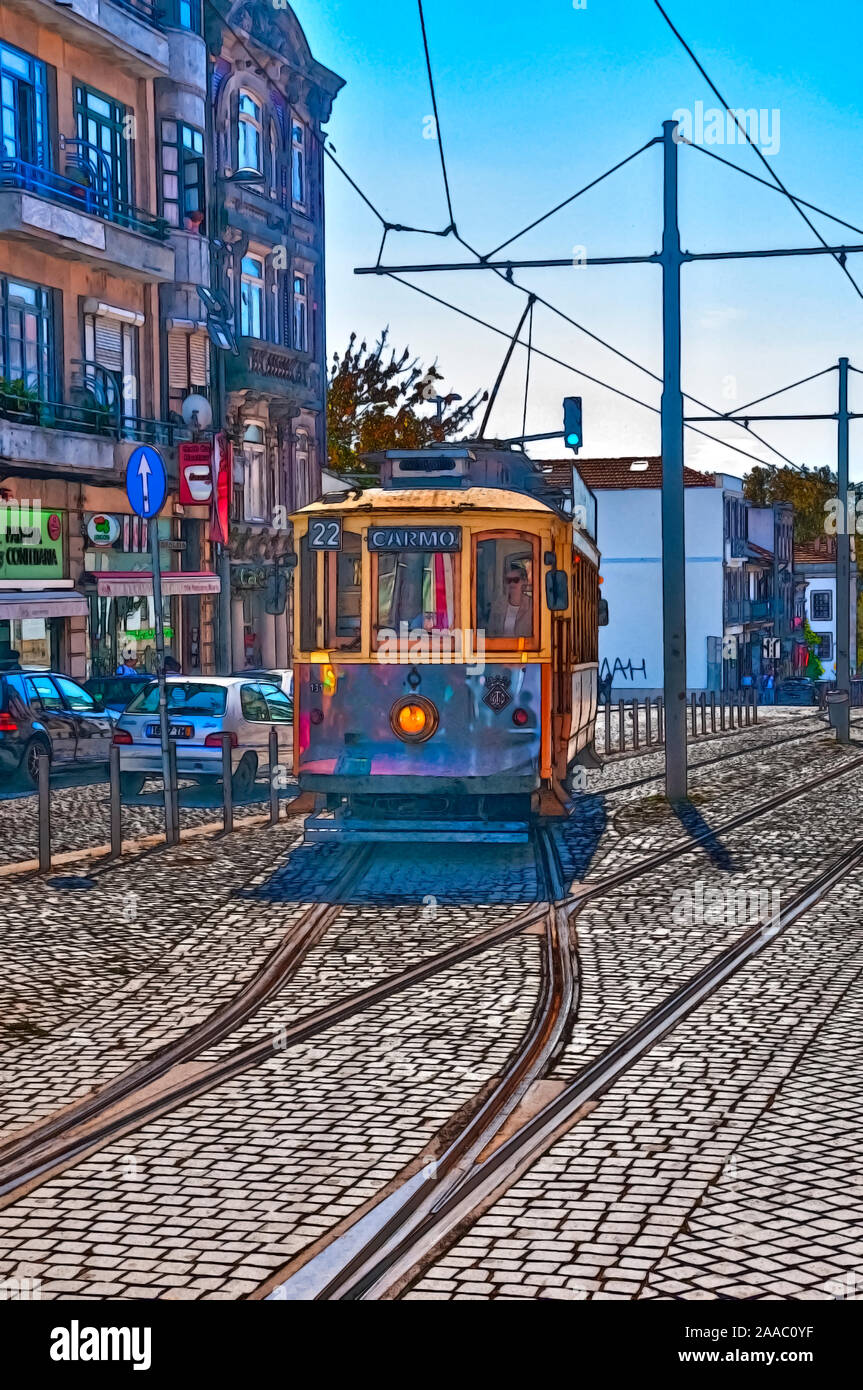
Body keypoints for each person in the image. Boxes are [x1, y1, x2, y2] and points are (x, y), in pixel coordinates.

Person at [489, 562, 533, 639]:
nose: (512, 584)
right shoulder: (498, 605)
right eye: (508, 580)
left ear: (525, 581)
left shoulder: (532, 606)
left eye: (515, 580)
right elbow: (491, 633)